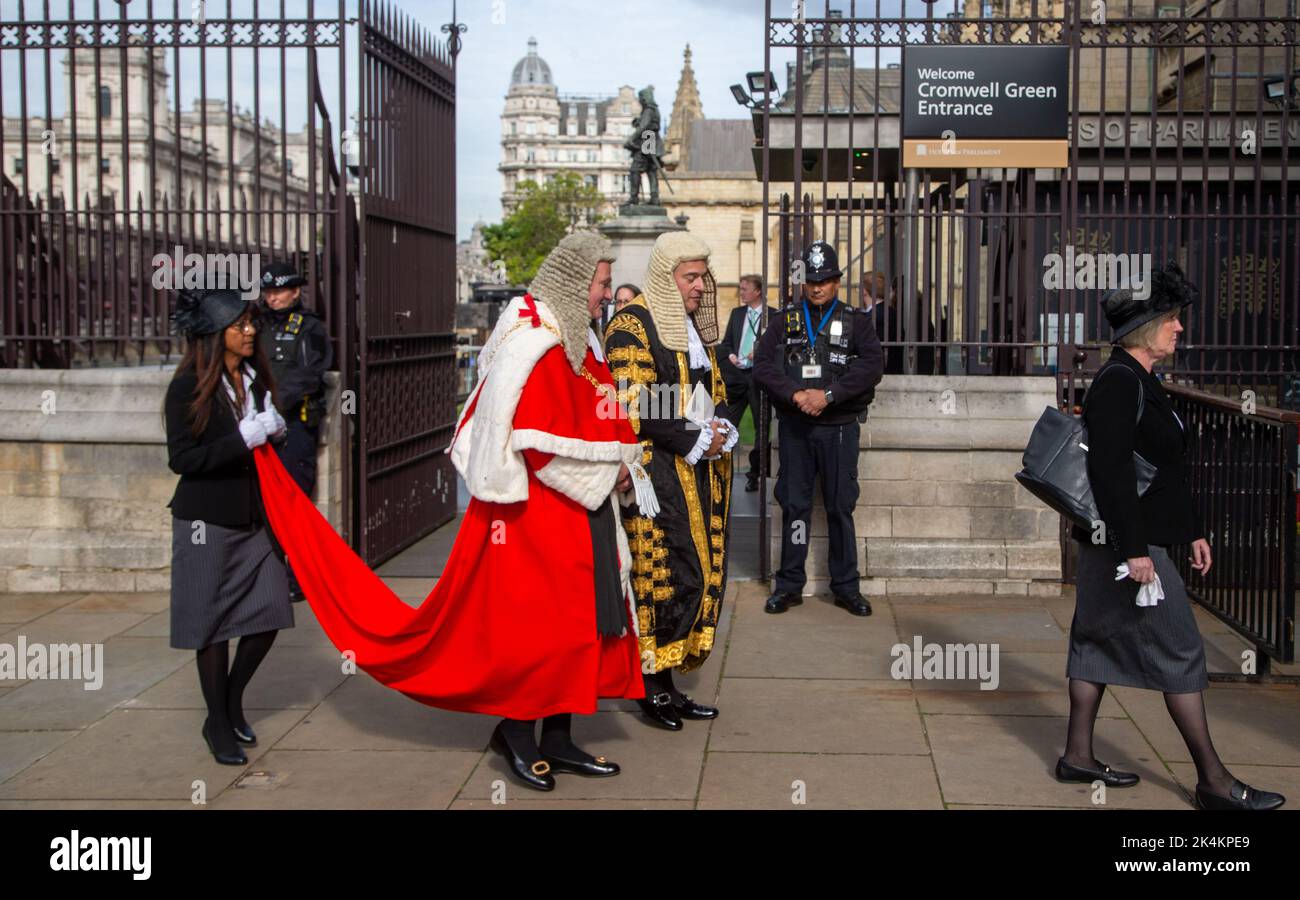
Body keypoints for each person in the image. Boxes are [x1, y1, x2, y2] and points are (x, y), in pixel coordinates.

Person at [251, 234, 652, 793]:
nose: (606, 295)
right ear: (572, 282)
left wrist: (621, 466)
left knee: (578, 628)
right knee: (535, 634)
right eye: (602, 284)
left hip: (576, 512)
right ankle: (516, 734)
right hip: (533, 518)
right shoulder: (535, 343)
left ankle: (558, 738)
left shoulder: (576, 340)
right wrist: (609, 473)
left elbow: (595, 420)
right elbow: (535, 445)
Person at [1058, 262, 1285, 811]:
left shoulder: (1137, 379)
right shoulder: (1118, 382)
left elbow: (1160, 470)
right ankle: (1213, 781)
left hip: (1120, 546)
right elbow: (1110, 473)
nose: (1179, 328)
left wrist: (1194, 531)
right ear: (1145, 327)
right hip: (1128, 551)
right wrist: (1136, 551)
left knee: (1094, 645)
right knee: (1183, 651)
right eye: (1171, 319)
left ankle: (1078, 756)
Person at [605, 231, 739, 730]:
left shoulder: (688, 325)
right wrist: (696, 437)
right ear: (666, 277)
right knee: (661, 577)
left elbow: (715, 387)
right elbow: (634, 401)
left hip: (696, 471)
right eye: (691, 276)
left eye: (702, 275)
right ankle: (650, 687)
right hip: (656, 474)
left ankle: (668, 685)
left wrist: (721, 424)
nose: (700, 286)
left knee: (696, 572)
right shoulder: (630, 325)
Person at [164, 288, 294, 767]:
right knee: (212, 626)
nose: (250, 331)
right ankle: (217, 722)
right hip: (207, 519)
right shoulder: (187, 387)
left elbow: (264, 447)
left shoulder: (256, 379)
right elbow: (183, 459)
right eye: (239, 326)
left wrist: (275, 432)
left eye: (251, 323)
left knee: (270, 614)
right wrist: (242, 439)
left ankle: (232, 699)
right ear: (215, 335)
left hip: (255, 518)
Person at [753, 241, 883, 617]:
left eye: (824, 280)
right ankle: (789, 585)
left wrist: (827, 395)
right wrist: (795, 394)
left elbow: (872, 366)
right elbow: (762, 365)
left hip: (838, 428)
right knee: (795, 507)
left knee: (841, 508)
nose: (817, 287)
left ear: (837, 281)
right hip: (796, 428)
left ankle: (846, 587)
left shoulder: (857, 321)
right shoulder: (784, 320)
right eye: (811, 280)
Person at [256, 261, 333, 602]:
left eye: (278, 292)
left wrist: (275, 405)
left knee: (295, 502)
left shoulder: (310, 327)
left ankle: (296, 577)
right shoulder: (254, 325)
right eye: (268, 292)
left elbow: (309, 374)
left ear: (295, 291)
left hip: (293, 426)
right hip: (256, 426)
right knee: (260, 504)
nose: (272, 298)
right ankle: (267, 574)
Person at [718, 274, 778, 492]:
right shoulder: (737, 314)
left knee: (761, 427)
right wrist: (732, 355)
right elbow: (725, 344)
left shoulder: (772, 315)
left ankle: (755, 472)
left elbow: (776, 346)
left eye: (744, 289)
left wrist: (759, 352)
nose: (740, 292)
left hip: (758, 377)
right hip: (737, 377)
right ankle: (720, 469)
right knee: (725, 421)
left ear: (757, 291)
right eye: (740, 288)